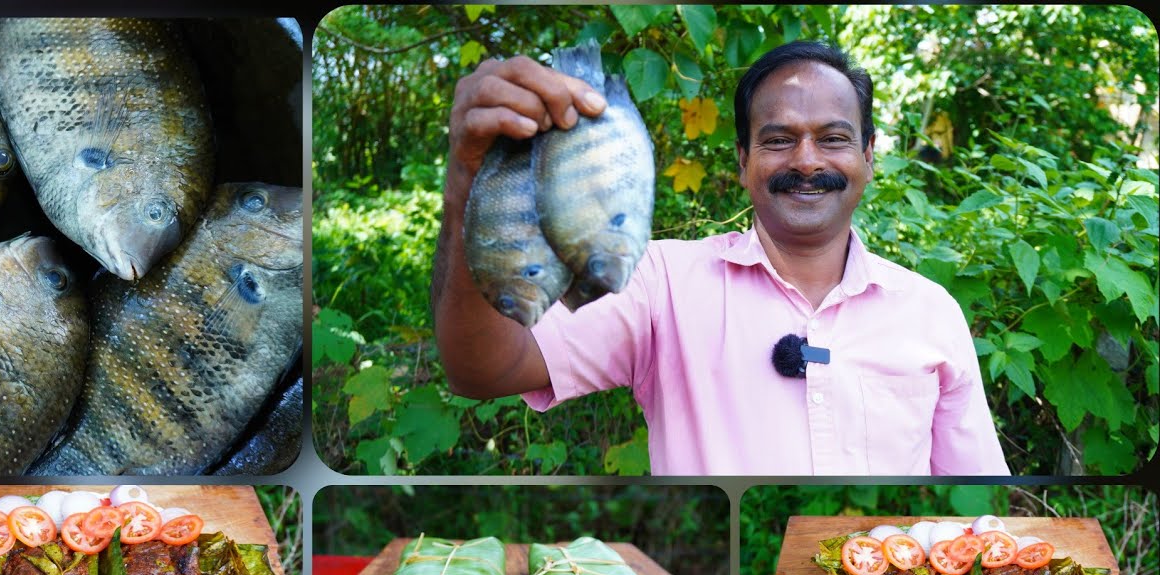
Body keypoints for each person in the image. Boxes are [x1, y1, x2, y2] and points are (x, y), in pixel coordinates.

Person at [431, 40, 1010, 476]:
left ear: (868, 156)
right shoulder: (661, 284)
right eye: (778, 139)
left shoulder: (931, 312)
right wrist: (467, 186)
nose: (807, 160)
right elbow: (483, 370)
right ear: (742, 160)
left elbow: (975, 485)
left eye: (832, 138)